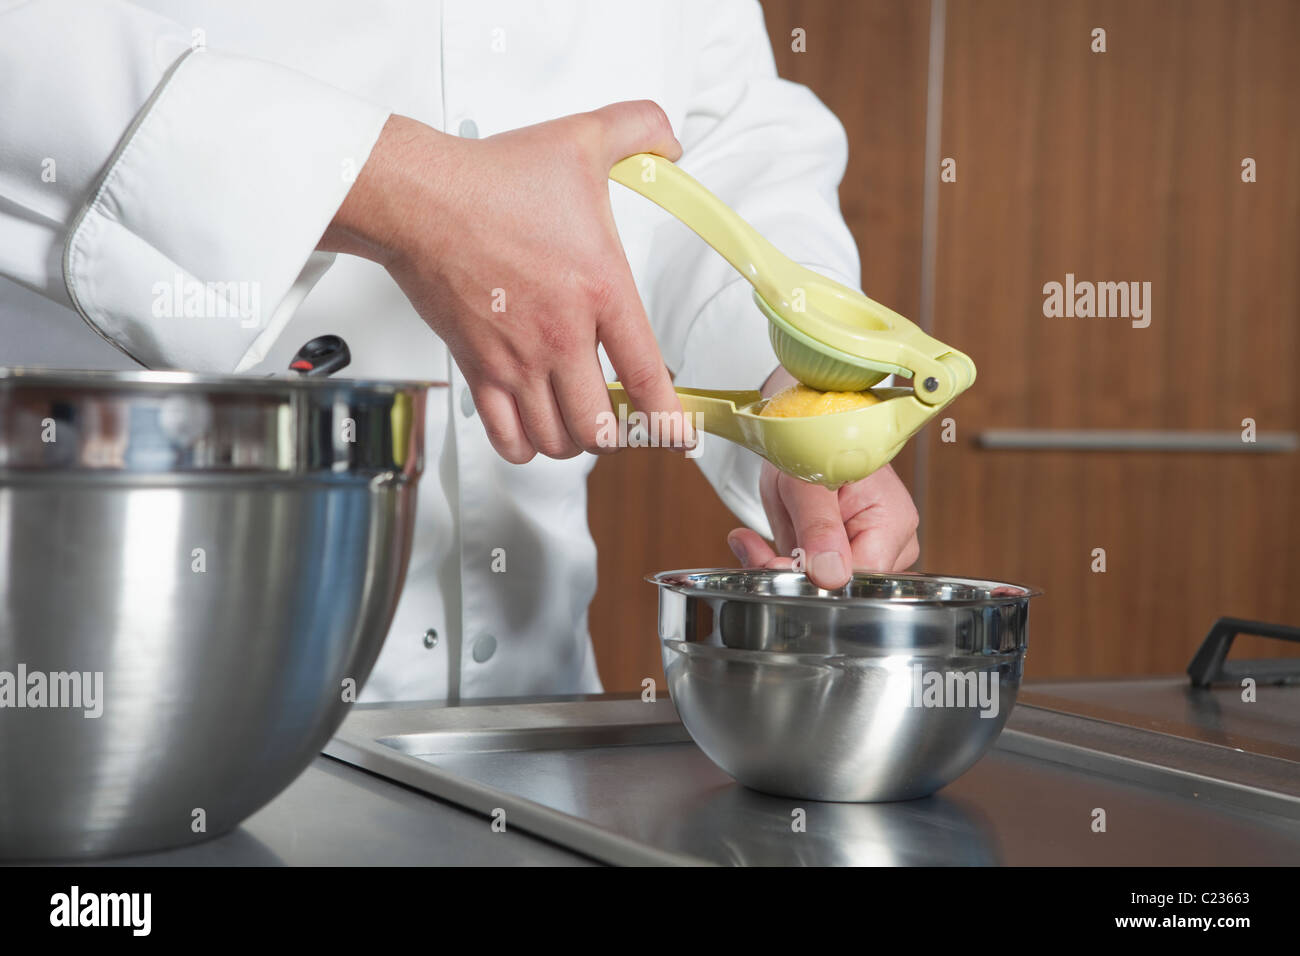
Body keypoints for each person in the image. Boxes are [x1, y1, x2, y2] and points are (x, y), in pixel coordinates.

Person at [0, 0, 920, 701]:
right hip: (108, 676)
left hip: (530, 711)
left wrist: (787, 383)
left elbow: (712, 142)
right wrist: (389, 189)